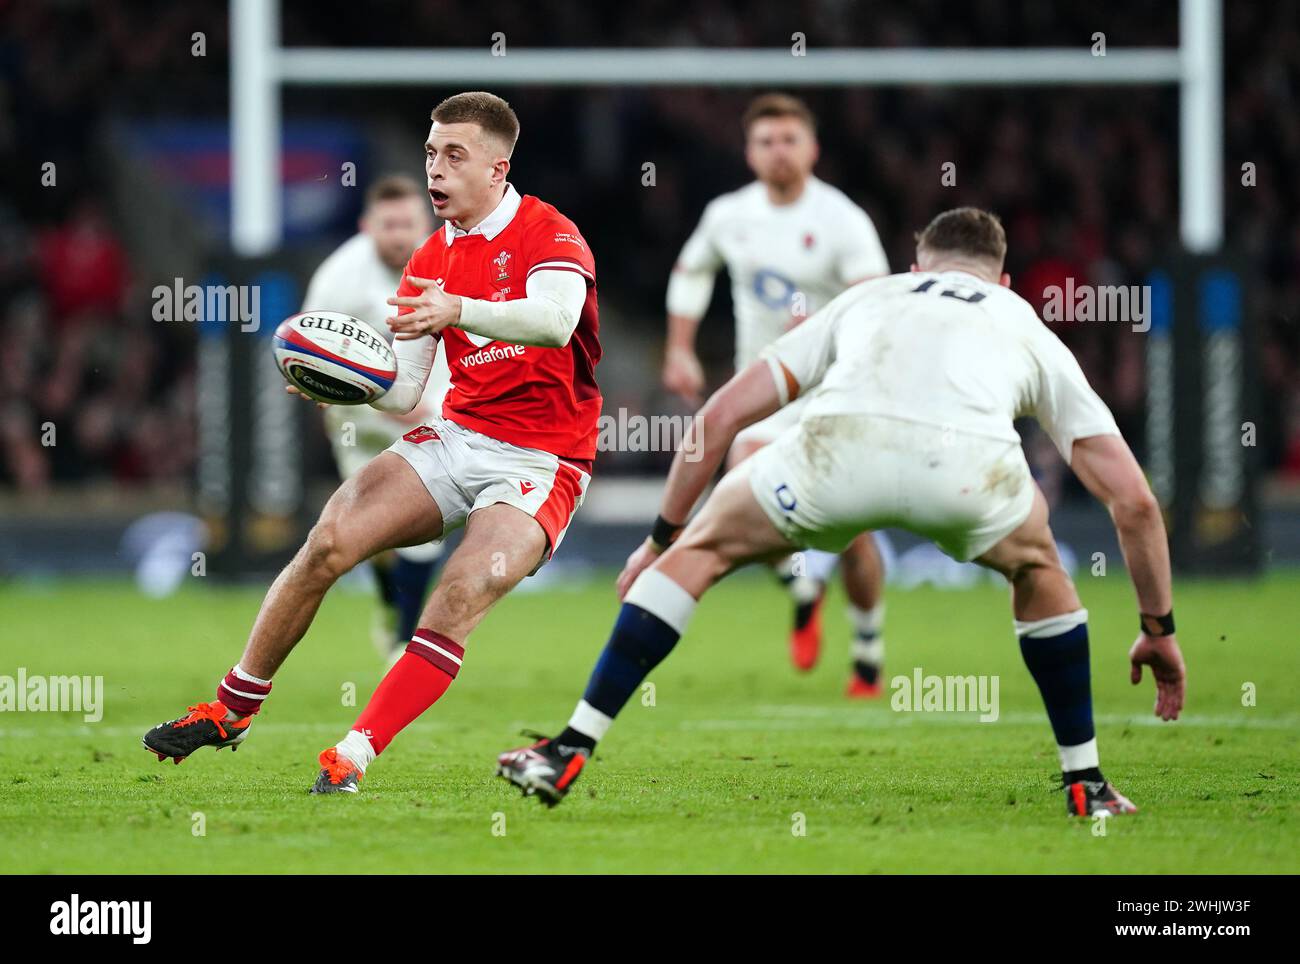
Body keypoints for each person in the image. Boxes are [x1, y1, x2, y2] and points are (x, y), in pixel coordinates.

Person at [498, 207, 1186, 817]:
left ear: (914, 266)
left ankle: (571, 747)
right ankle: (1086, 783)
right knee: (1040, 569)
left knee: (697, 554)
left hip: (835, 456)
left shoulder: (870, 298)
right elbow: (1133, 500)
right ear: (1000, 281)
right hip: (967, 474)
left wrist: (660, 541)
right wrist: (1158, 627)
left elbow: (721, 417)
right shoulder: (1020, 320)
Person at [144, 91, 603, 795]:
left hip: (541, 462)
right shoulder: (429, 256)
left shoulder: (550, 234)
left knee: (457, 594)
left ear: (498, 168)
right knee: (328, 541)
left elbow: (554, 320)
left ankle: (352, 754)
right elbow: (409, 386)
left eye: (455, 155)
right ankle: (231, 708)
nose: (435, 169)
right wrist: (341, 382)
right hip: (457, 433)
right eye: (429, 153)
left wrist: (460, 309)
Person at [662, 93, 891, 693]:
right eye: (766, 141)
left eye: (789, 139)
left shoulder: (842, 219)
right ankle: (802, 584)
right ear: (749, 151)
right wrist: (680, 347)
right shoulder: (728, 215)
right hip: (765, 391)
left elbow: (876, 299)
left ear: (811, 148)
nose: (778, 151)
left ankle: (868, 648)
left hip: (834, 390)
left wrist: (827, 325)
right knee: (747, 502)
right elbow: (691, 272)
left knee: (852, 532)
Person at [300, 173, 449, 659]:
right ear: (368, 225)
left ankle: (404, 637)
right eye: (389, 225)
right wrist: (320, 389)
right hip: (360, 423)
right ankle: (392, 601)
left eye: (408, 223)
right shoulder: (338, 278)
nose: (400, 234)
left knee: (422, 527)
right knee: (370, 534)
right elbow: (305, 351)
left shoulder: (447, 261)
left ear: (424, 222)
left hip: (430, 410)